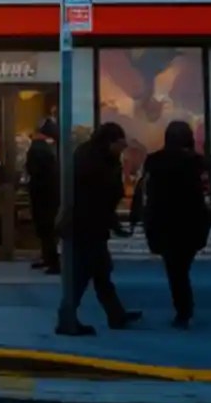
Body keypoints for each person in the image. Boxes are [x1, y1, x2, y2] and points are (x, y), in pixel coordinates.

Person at [55, 122, 142, 336]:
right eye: (120, 144)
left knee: (100, 273)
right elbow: (100, 196)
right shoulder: (94, 161)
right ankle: (67, 319)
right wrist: (112, 221)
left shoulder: (92, 155)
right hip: (86, 225)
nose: (122, 149)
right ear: (110, 142)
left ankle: (115, 314)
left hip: (89, 224)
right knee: (85, 275)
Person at [137, 121, 211, 329]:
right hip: (190, 221)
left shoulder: (154, 161)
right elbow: (206, 191)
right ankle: (184, 308)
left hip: (164, 221)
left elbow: (148, 192)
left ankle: (183, 309)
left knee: (174, 269)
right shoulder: (197, 162)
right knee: (181, 268)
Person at [25, 117, 61, 274]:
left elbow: (34, 170)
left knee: (46, 229)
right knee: (47, 229)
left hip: (43, 194)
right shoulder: (48, 149)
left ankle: (52, 261)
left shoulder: (38, 149)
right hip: (49, 193)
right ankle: (49, 259)